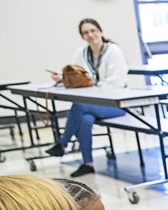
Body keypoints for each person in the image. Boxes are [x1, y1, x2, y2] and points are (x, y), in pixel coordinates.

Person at [45, 18, 129, 178]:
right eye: (86, 32)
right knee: (84, 119)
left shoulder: (113, 51)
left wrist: (93, 90)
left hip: (116, 103)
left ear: (100, 31)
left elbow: (115, 84)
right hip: (93, 103)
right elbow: (79, 79)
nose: (90, 35)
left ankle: (62, 143)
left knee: (80, 106)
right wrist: (63, 79)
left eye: (93, 31)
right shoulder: (81, 53)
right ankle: (88, 163)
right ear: (82, 36)